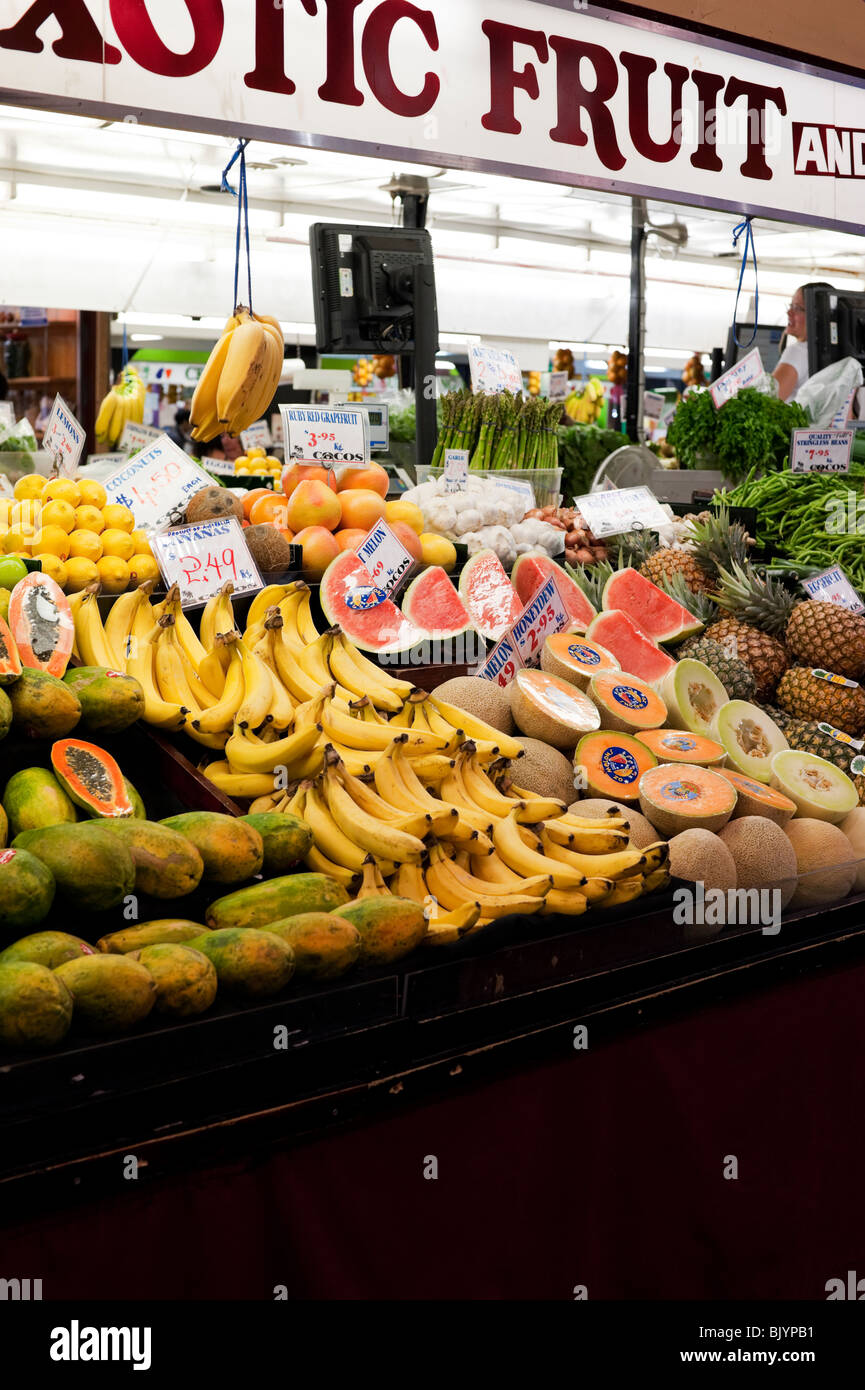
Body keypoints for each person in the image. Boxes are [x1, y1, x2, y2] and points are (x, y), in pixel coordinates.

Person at [773, 281, 834, 402]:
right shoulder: (835, 353)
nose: (789, 312)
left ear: (816, 316)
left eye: (797, 308)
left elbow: (766, 403)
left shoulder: (797, 352)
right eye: (790, 306)